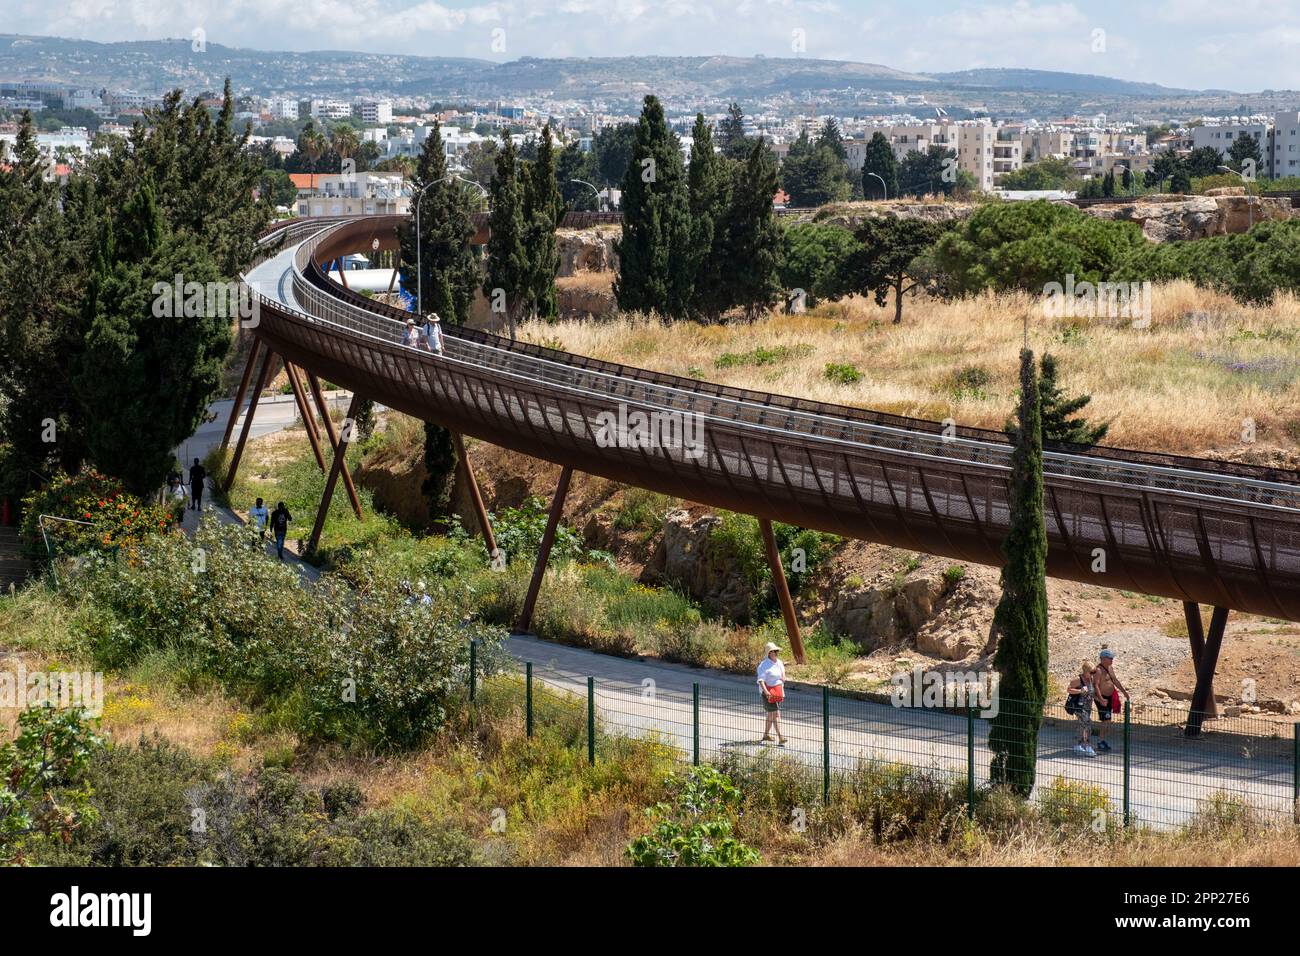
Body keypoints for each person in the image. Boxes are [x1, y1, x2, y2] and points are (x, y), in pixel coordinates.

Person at [1093, 647, 1129, 752]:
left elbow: (1115, 681)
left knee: (1107, 721)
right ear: (1103, 659)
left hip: (1109, 697)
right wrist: (1100, 699)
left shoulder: (1110, 668)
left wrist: (1124, 692)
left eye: (1112, 658)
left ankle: (1102, 739)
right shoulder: (1098, 670)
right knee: (1106, 720)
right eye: (1110, 658)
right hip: (1102, 698)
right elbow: (1096, 686)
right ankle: (1100, 741)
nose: (1112, 660)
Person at [755, 642, 788, 746]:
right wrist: (766, 692)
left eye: (775, 651)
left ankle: (766, 735)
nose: (774, 653)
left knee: (771, 714)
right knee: (776, 714)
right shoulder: (764, 665)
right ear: (768, 653)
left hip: (778, 692)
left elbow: (783, 675)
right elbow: (761, 680)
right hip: (768, 692)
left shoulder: (779, 662)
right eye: (772, 651)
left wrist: (783, 679)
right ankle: (781, 736)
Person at [1067, 660, 1097, 757]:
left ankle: (1078, 745)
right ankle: (1088, 746)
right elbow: (1069, 689)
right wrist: (1080, 690)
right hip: (1079, 707)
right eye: (1091, 672)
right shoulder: (1078, 679)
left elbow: (1091, 693)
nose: (1093, 674)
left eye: (1094, 672)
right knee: (1088, 724)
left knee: (1082, 725)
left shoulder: (1091, 680)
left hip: (1087, 708)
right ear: (1085, 671)